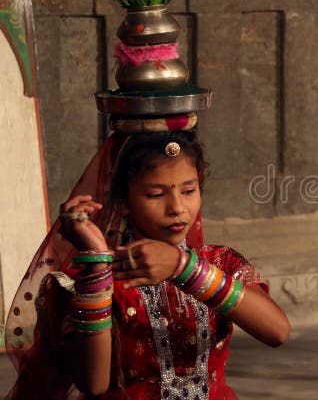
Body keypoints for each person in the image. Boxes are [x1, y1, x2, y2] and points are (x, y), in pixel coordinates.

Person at [4, 124, 290, 400]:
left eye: (189, 191)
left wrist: (184, 268)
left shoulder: (220, 263)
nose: (177, 208)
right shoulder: (100, 279)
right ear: (123, 201)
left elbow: (277, 331)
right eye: (155, 194)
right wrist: (96, 265)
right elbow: (94, 383)